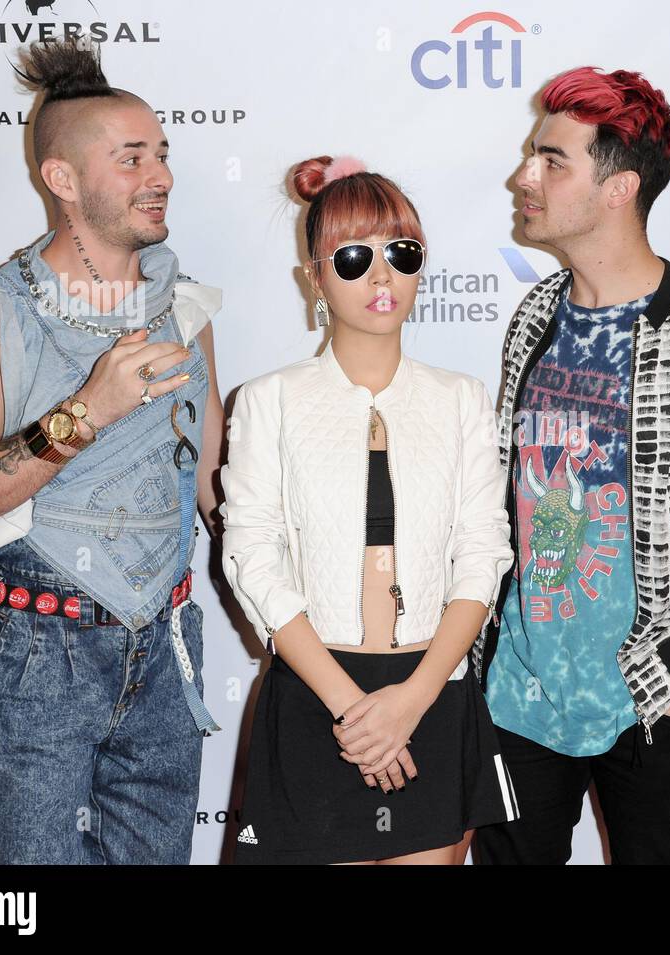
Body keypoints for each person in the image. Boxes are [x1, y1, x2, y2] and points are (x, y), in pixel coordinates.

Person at [0, 39, 226, 863]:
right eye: (132, 159)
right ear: (62, 179)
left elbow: (212, 484)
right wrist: (87, 410)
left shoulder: (184, 306)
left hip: (167, 650)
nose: (159, 175)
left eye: (161, 153)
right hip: (36, 656)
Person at [471, 67, 670, 865]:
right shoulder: (535, 315)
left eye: (552, 160)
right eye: (531, 156)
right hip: (520, 688)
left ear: (619, 188)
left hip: (651, 692)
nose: (524, 177)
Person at [222, 155, 518, 865]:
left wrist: (412, 699)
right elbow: (251, 558)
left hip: (435, 694)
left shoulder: (461, 399)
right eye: (354, 257)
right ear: (314, 279)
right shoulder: (269, 401)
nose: (381, 275)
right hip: (316, 699)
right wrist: (354, 708)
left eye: (401, 252)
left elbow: (484, 553)